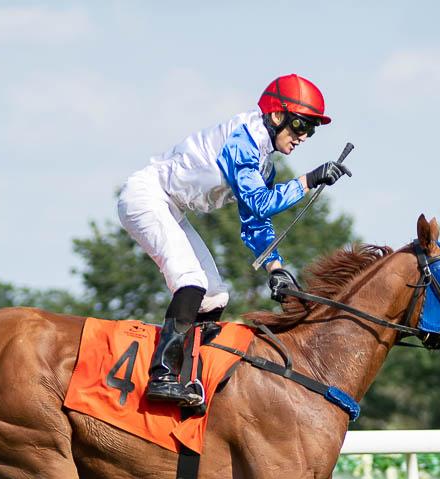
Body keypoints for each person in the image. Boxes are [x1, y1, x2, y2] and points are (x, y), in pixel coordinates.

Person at [117, 74, 352, 405]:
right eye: (301, 125)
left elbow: (255, 221)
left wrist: (276, 267)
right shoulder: (242, 142)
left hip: (170, 207)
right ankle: (162, 376)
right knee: (191, 281)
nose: (304, 136)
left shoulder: (263, 163)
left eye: (311, 130)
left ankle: (190, 375)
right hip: (145, 198)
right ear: (276, 115)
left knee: (213, 296)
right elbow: (260, 202)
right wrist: (308, 180)